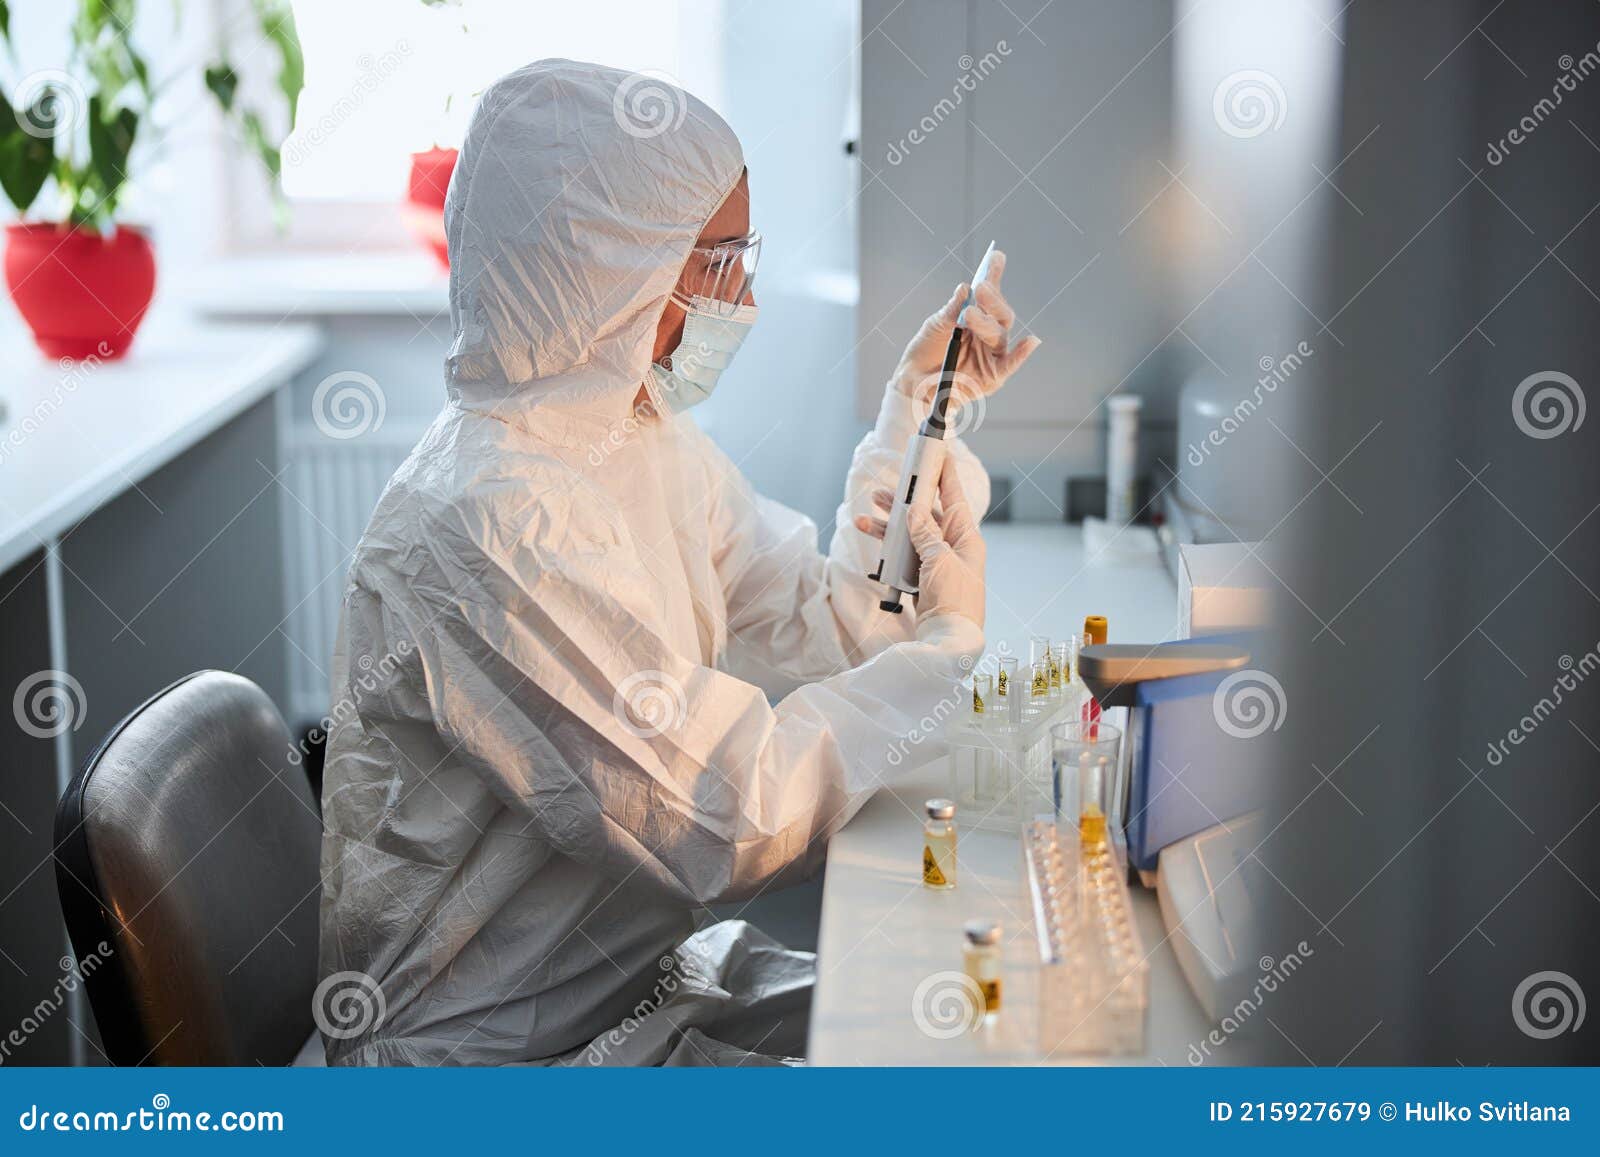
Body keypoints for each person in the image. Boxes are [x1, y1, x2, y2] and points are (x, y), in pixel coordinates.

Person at [317, 59, 1039, 1066]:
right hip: (495, 1062)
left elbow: (817, 627)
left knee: (958, 1039)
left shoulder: (630, 429)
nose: (740, 294)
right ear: (605, 265)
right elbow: (724, 816)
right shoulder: (488, 521)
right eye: (717, 258)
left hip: (630, 996)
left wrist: (914, 425)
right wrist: (947, 646)